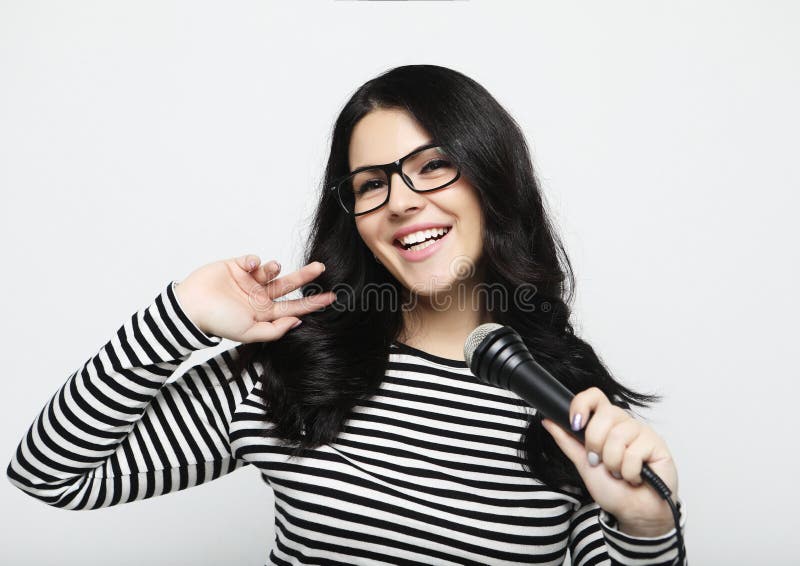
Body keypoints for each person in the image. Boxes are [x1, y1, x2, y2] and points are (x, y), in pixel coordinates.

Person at [7, 64, 686, 565]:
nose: (400, 201)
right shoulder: (299, 364)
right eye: (372, 184)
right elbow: (50, 474)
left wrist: (647, 530)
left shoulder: (568, 396)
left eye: (434, 165)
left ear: (493, 180)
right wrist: (178, 316)